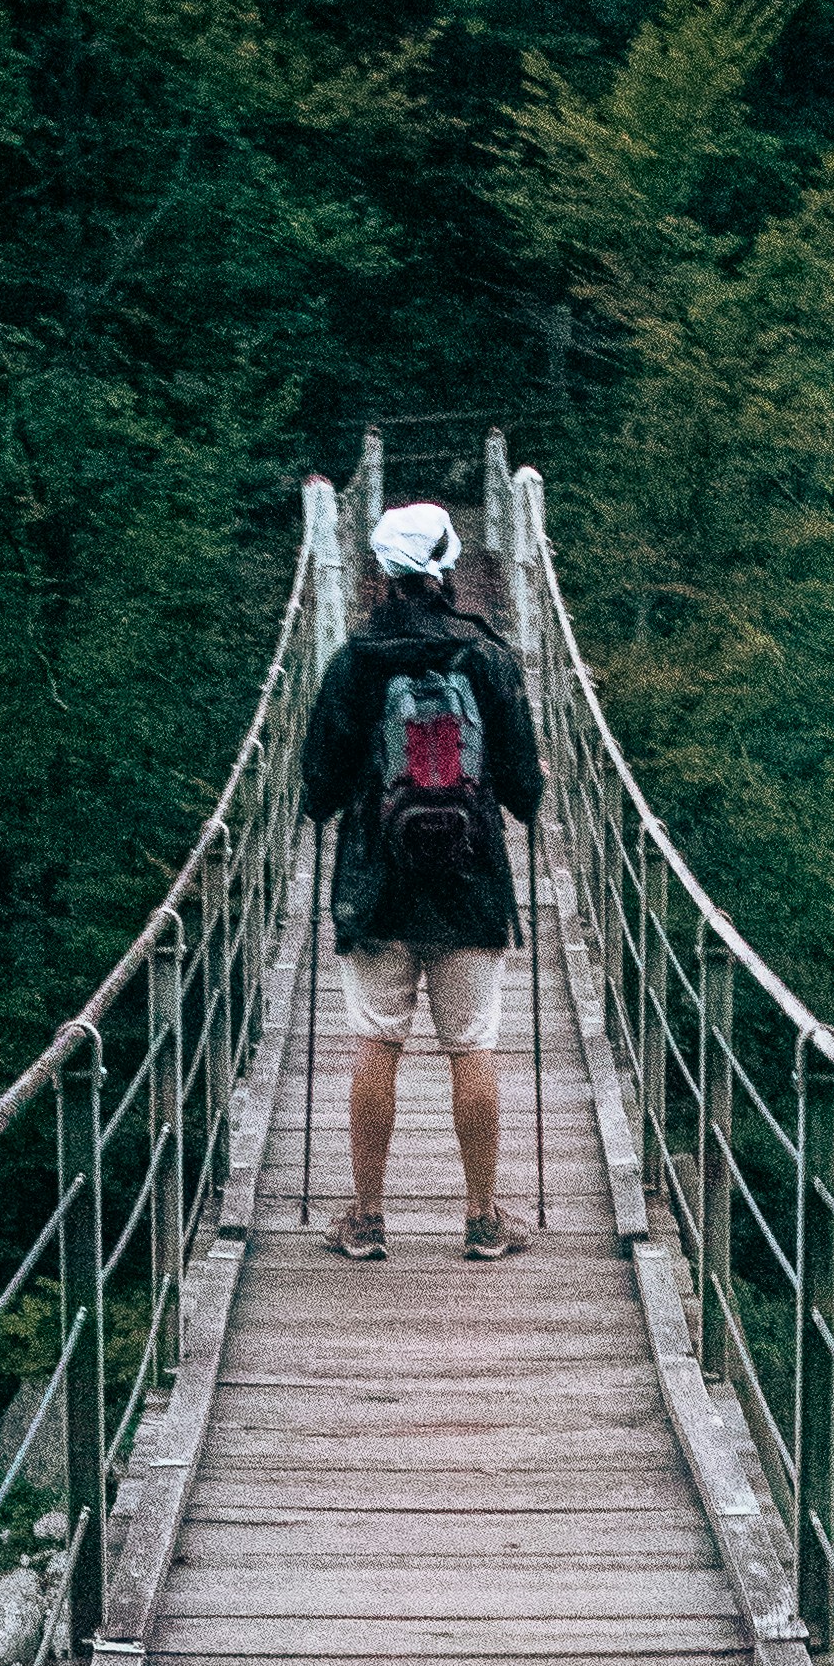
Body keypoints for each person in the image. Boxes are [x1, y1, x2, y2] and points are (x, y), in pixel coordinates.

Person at [297, 492, 547, 1262]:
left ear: (381, 570)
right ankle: (481, 1219)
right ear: (447, 567)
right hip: (470, 887)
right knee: (472, 1047)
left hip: (376, 889)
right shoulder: (487, 657)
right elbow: (526, 792)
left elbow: (317, 792)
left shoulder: (354, 662)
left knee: (377, 1042)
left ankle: (367, 1219)